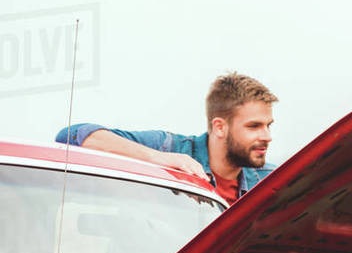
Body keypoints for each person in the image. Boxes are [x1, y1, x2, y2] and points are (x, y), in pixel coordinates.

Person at [56, 72, 277, 203]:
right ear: (219, 127)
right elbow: (70, 137)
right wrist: (156, 159)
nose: (266, 136)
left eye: (268, 126)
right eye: (254, 126)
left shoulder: (271, 182)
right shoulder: (169, 148)